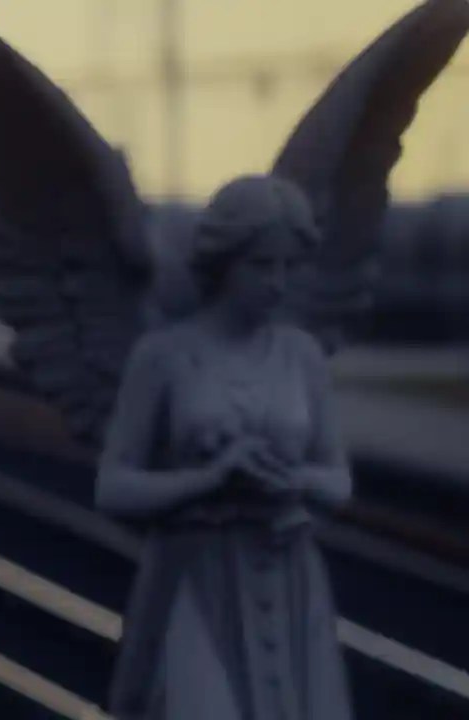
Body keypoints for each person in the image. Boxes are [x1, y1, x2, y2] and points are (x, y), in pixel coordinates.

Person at [96, 175, 354, 719]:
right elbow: (113, 485)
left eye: (288, 266)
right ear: (223, 263)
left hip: (290, 580)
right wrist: (208, 479)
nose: (278, 283)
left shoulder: (301, 356)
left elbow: (337, 482)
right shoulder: (163, 357)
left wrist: (296, 481)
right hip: (195, 574)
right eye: (262, 266)